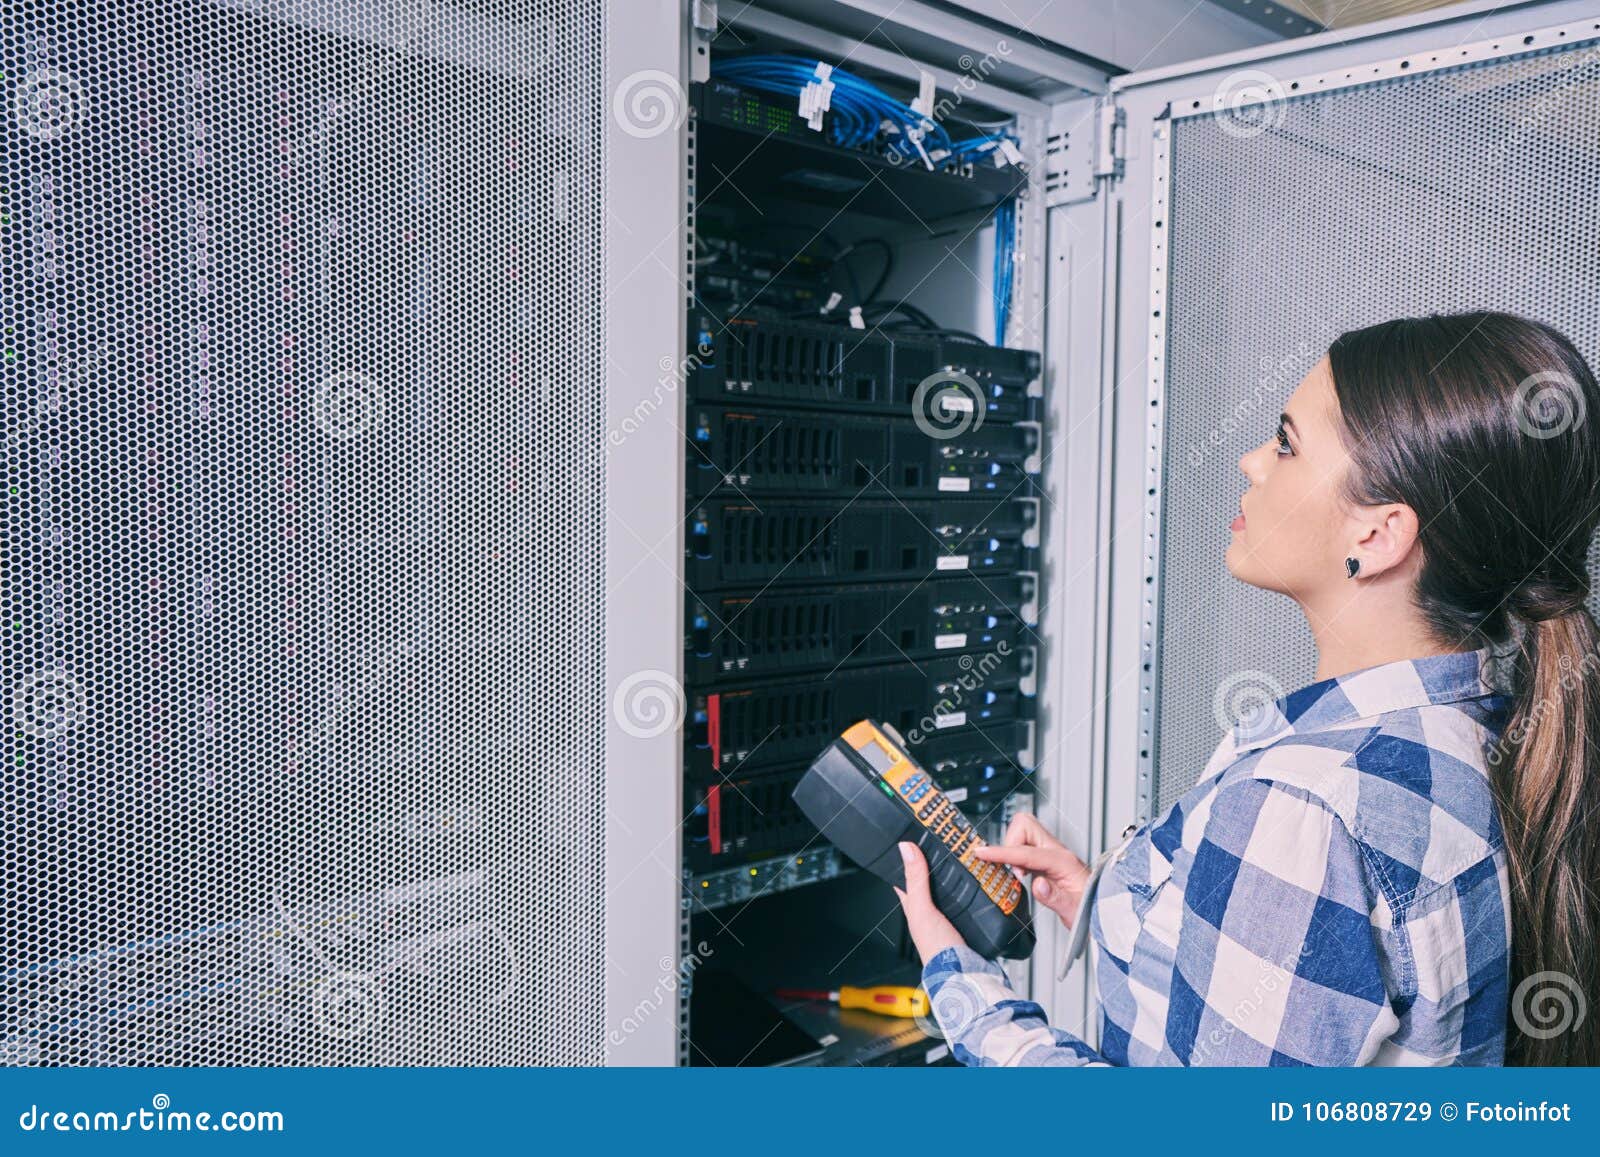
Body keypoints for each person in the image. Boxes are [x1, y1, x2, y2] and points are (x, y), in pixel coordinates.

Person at [896, 312, 1600, 1066]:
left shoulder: (1302, 806)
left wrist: (967, 991)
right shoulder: (1484, 731)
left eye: (1287, 443)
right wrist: (1106, 898)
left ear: (1377, 534)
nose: (1250, 459)